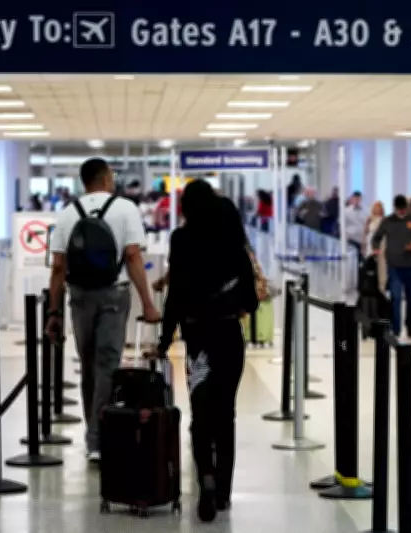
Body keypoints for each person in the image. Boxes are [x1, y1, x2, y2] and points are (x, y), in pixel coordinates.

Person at [146, 180, 258, 522]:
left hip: (198, 339)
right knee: (226, 414)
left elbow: (175, 296)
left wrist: (165, 341)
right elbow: (251, 301)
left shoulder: (182, 240)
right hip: (228, 335)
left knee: (201, 412)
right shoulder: (234, 244)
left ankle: (205, 480)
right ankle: (223, 492)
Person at [45, 158, 160, 464]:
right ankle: (98, 438)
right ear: (107, 178)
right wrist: (148, 303)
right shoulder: (125, 209)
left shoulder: (68, 213)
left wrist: (53, 312)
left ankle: (94, 434)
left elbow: (58, 266)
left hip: (80, 297)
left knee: (89, 364)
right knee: (107, 365)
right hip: (113, 295)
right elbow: (133, 256)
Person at [371, 194, 411, 341]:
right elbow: (377, 237)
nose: (401, 212)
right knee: (396, 297)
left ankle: (410, 325)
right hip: (394, 266)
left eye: (403, 209)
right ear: (395, 208)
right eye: (399, 210)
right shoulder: (388, 221)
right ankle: (396, 328)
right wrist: (376, 248)